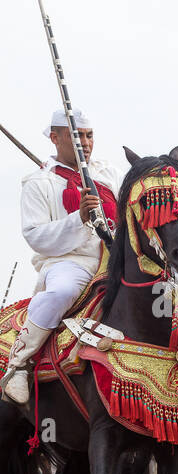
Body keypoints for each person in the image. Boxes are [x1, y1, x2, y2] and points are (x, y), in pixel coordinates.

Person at [2, 109, 122, 404]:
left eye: (89, 135)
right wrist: (77, 219)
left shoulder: (110, 174)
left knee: (169, 293)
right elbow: (35, 236)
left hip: (117, 257)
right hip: (71, 261)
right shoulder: (39, 183)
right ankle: (19, 364)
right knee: (61, 291)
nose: (85, 142)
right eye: (76, 136)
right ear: (55, 138)